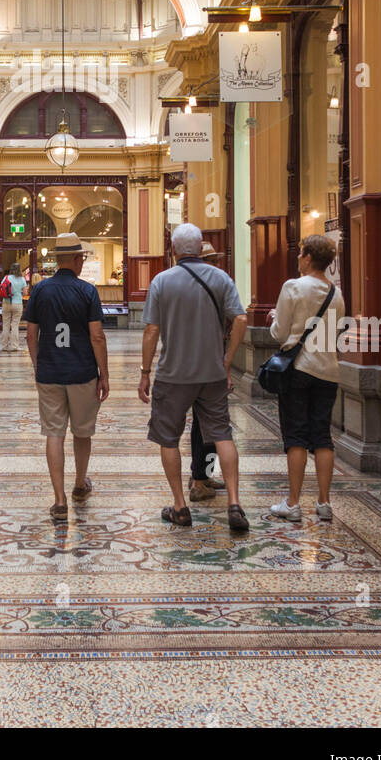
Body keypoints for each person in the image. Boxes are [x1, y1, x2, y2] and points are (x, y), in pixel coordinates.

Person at [140, 222, 249, 531]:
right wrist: (227, 359)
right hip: (212, 373)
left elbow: (151, 331)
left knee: (168, 438)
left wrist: (145, 372)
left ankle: (180, 506)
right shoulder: (221, 278)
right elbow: (240, 318)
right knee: (222, 434)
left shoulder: (162, 281)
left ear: (173, 249)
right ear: (201, 248)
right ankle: (234, 503)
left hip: (173, 374)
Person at [24, 233, 109, 521]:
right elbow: (97, 336)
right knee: (82, 432)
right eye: (82, 258)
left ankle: (59, 500)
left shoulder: (40, 290)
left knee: (54, 433)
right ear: (74, 259)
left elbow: (31, 334)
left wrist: (38, 365)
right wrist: (104, 374)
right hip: (82, 372)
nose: (83, 263)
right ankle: (79, 484)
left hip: (49, 372)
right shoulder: (87, 291)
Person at [268, 234, 345, 522]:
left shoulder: (293, 287)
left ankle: (293, 503)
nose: (298, 258)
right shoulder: (336, 292)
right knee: (323, 436)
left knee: (296, 436)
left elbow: (280, 332)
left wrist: (276, 317)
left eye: (301, 253)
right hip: (328, 370)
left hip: (298, 369)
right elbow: (333, 332)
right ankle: (324, 503)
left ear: (309, 257)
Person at [189, 243, 228, 502]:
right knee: (204, 427)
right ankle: (198, 479)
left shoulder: (214, 286)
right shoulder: (210, 289)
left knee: (206, 427)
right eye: (211, 260)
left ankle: (204, 473)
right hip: (205, 368)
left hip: (202, 366)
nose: (215, 264)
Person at [0, 262, 28, 351]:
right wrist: (18, 291)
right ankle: (15, 346)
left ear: (11, 269)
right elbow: (25, 293)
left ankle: (4, 346)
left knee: (6, 325)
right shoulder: (22, 279)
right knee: (15, 325)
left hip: (6, 303)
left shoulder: (6, 277)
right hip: (17, 303)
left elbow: (0, 288)